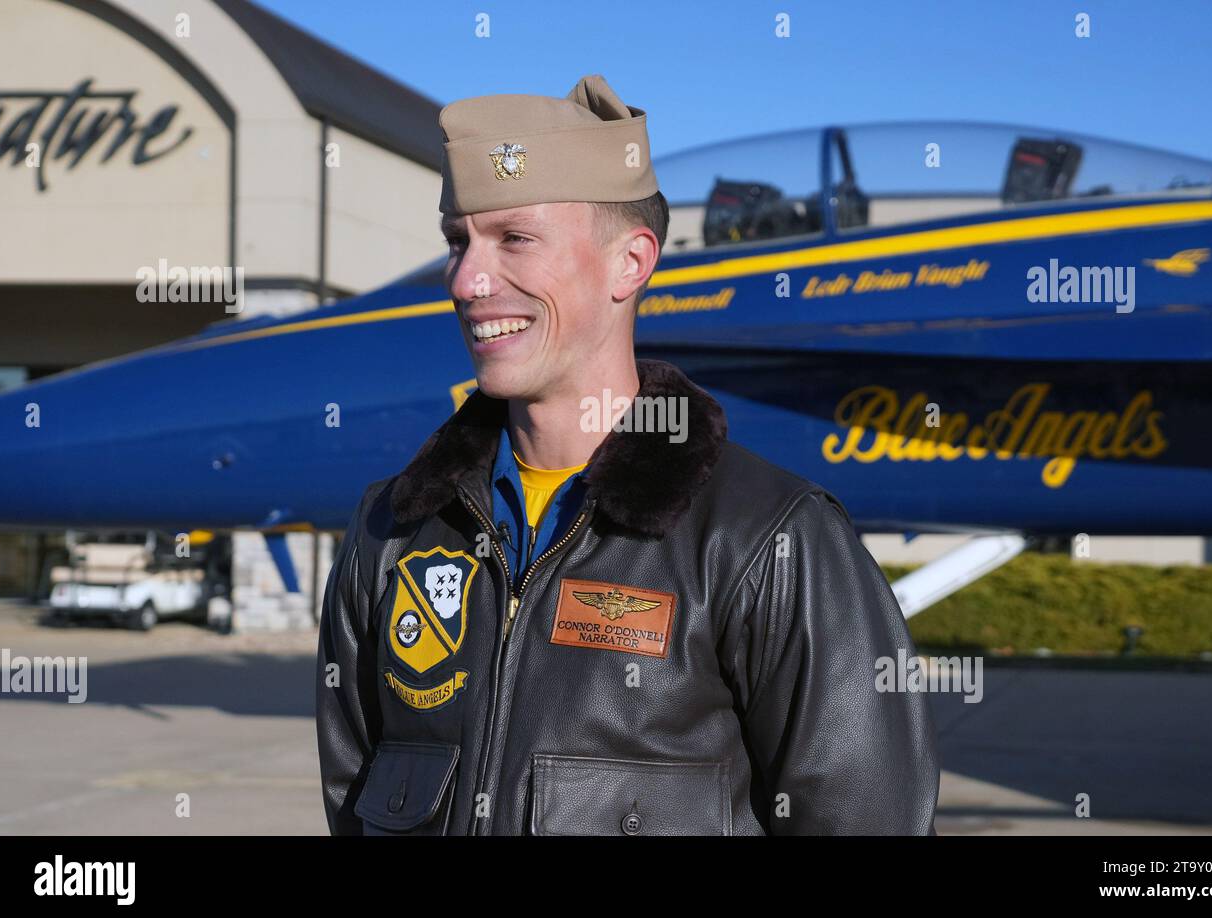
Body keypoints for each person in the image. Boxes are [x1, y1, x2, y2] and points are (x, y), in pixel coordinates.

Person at [316, 74, 938, 835]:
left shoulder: (768, 543)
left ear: (630, 263)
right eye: (458, 242)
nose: (468, 280)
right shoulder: (392, 530)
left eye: (514, 238)